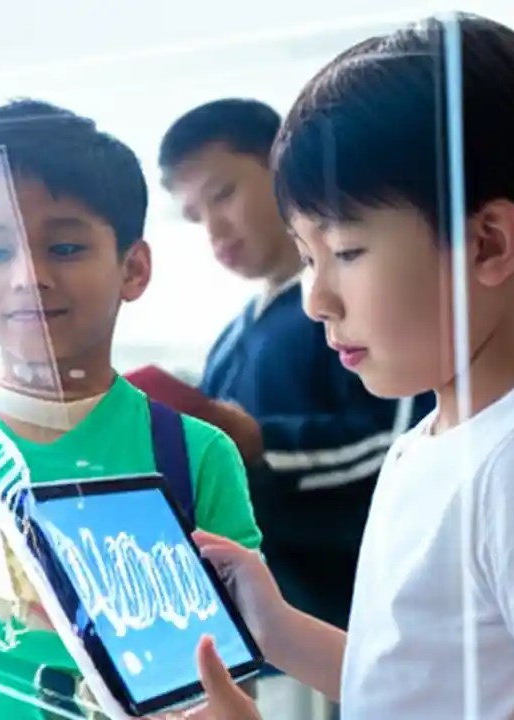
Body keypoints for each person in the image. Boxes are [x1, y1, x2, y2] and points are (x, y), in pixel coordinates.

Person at [188, 13, 514, 719]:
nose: (317, 300)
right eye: (308, 257)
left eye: (346, 252)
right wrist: (277, 630)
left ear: (488, 243)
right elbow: (414, 685)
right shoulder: (429, 443)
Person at [0, 99, 263, 720]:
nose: (29, 275)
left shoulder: (194, 456)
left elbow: (233, 692)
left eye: (66, 247)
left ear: (133, 268)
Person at [159, 98, 432, 629]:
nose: (214, 229)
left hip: (355, 620)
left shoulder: (360, 304)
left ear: (283, 169)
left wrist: (263, 445)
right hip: (261, 626)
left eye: (224, 195)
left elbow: (402, 440)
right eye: (195, 216)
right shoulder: (230, 339)